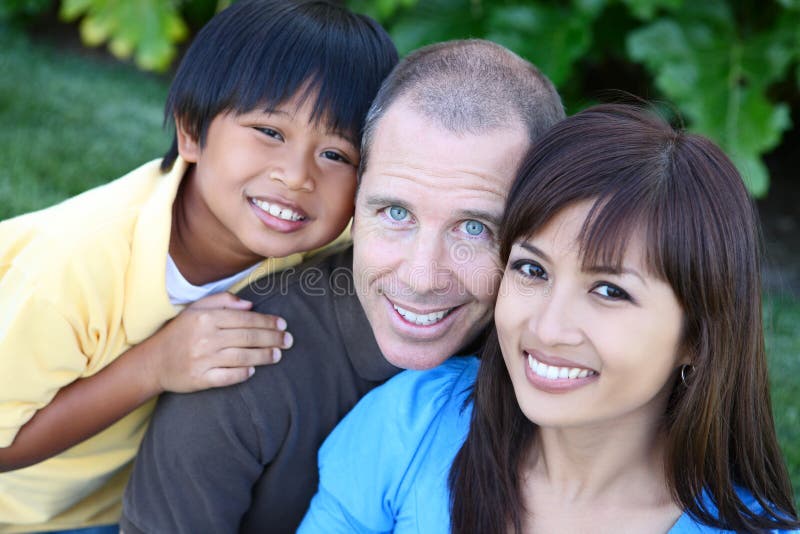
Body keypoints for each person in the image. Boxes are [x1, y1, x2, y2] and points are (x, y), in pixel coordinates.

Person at [119, 39, 565, 533]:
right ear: (355, 196)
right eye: (396, 213)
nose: (421, 277)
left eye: (475, 228)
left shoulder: (560, 366)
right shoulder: (240, 363)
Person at [300, 104, 800, 533]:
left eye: (609, 291)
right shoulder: (414, 423)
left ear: (697, 335)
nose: (546, 328)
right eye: (532, 269)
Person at [0, 1, 398, 532]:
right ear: (191, 130)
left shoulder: (310, 227)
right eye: (270, 132)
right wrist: (155, 365)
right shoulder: (75, 267)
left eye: (337, 156)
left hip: (111, 503)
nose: (298, 176)